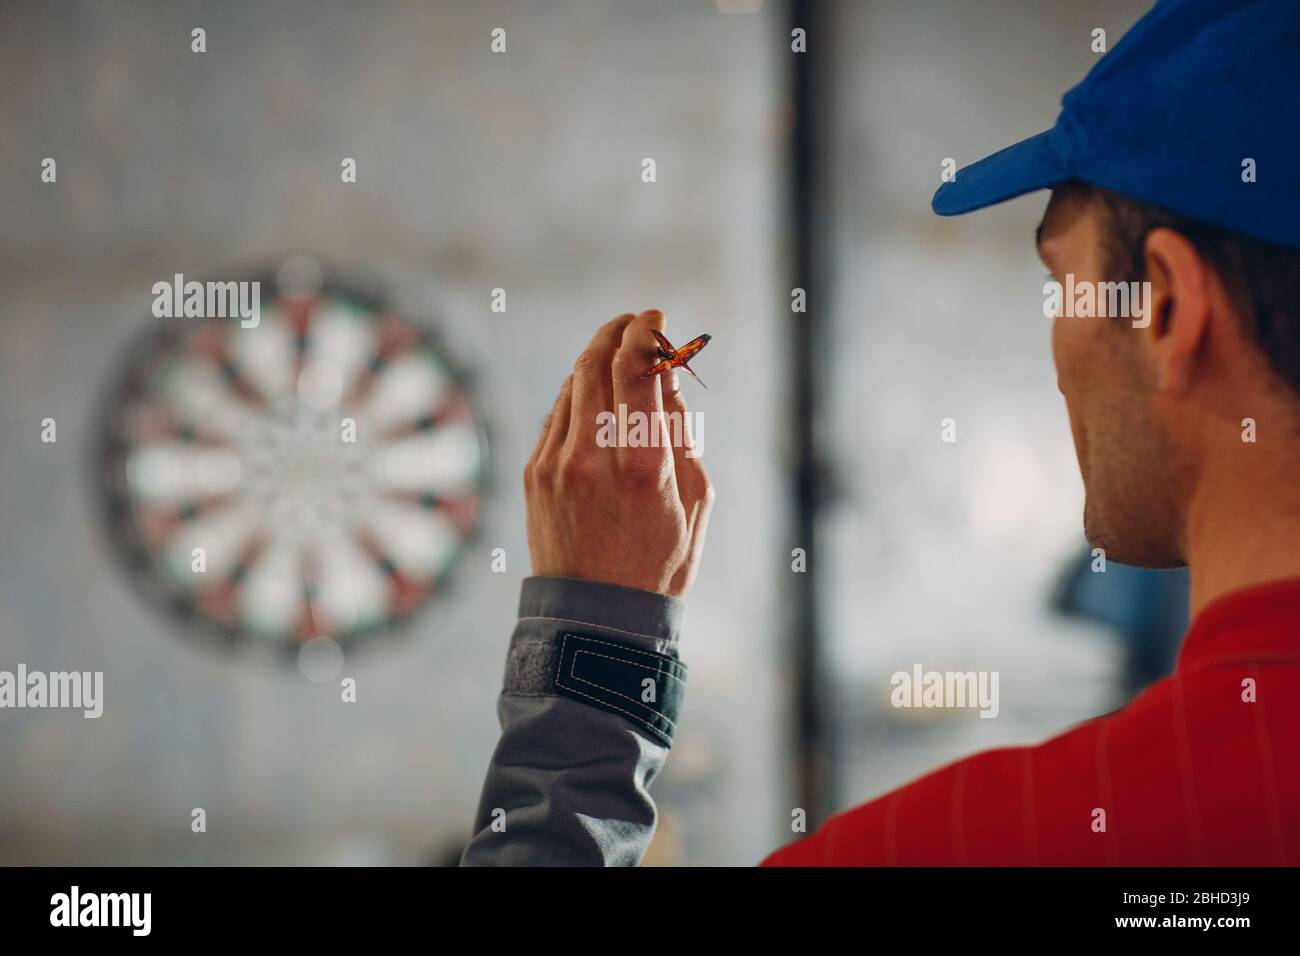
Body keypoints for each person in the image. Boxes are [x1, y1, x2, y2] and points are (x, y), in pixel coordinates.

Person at [460, 0, 1300, 866]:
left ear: (1164, 306)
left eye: (1061, 282)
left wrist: (592, 645)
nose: (1055, 352)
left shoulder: (958, 847)